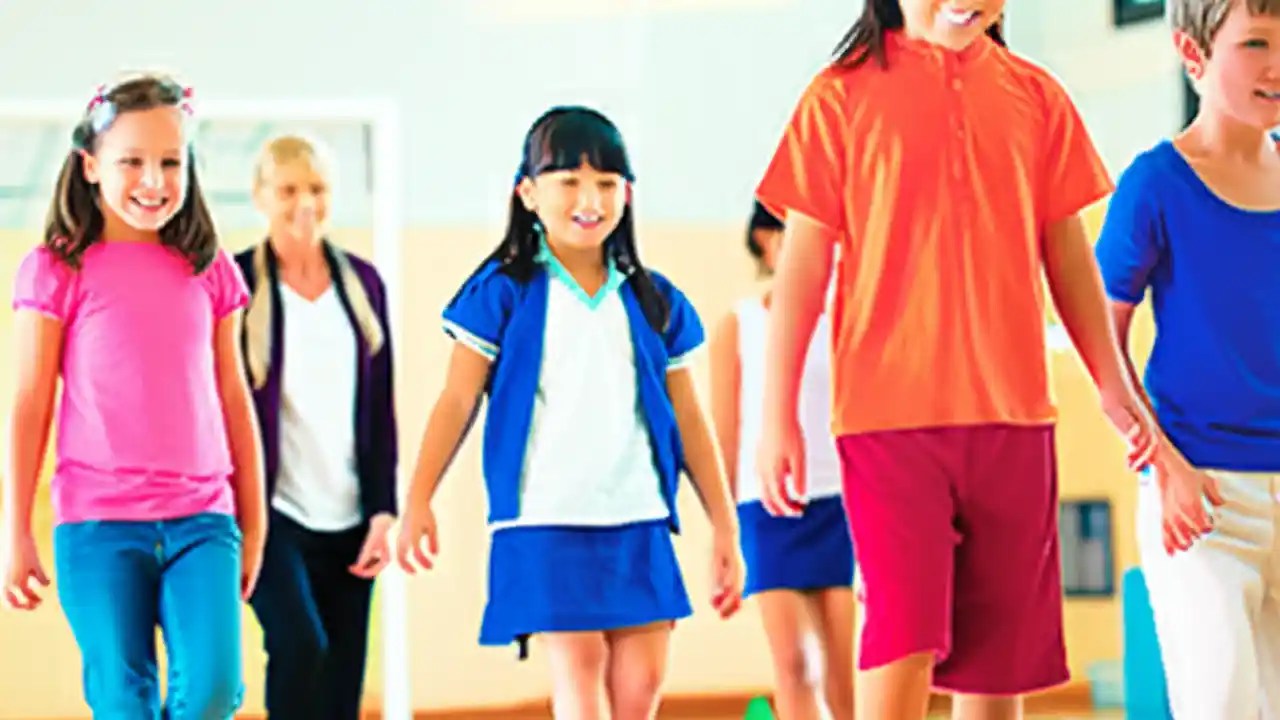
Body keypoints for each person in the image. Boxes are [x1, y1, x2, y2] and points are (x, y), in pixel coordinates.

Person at [752, 1, 1159, 718]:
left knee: (998, 662)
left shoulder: (1037, 97)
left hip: (1015, 419)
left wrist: (1113, 383)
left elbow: (1066, 255)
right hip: (887, 423)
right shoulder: (837, 98)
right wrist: (776, 414)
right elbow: (803, 271)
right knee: (900, 636)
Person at [395, 106, 743, 720]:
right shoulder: (500, 293)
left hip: (637, 517)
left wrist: (725, 525)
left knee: (641, 689)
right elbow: (456, 400)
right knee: (580, 684)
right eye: (568, 181)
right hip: (544, 519)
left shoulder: (656, 301)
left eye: (607, 183)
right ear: (528, 194)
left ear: (627, 194)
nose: (590, 199)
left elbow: (690, 419)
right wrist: (419, 497)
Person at [0, 73, 266, 718]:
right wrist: (14, 531)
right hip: (97, 525)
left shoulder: (211, 270)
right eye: (132, 162)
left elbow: (234, 397)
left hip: (202, 520)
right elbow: (30, 402)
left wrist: (253, 524)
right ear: (91, 166)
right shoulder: (56, 268)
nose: (154, 181)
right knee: (123, 698)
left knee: (209, 693)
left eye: (171, 161)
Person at [1095, 1, 1280, 716]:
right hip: (1201, 502)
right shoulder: (1155, 185)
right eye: (1256, 42)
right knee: (1221, 698)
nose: (1277, 64)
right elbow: (1100, 349)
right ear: (1192, 53)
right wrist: (1160, 463)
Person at [234, 134, 398, 720]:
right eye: (288, 190)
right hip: (273, 514)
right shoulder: (235, 285)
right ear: (259, 197)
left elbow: (381, 407)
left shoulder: (363, 285)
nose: (304, 203)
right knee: (300, 645)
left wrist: (384, 510)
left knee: (340, 689)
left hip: (351, 517)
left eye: (317, 189)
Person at [709, 201, 854, 720]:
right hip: (765, 507)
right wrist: (720, 534)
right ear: (766, 242)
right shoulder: (739, 323)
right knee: (795, 663)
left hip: (837, 504)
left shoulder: (842, 319)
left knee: (843, 672)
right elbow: (724, 432)